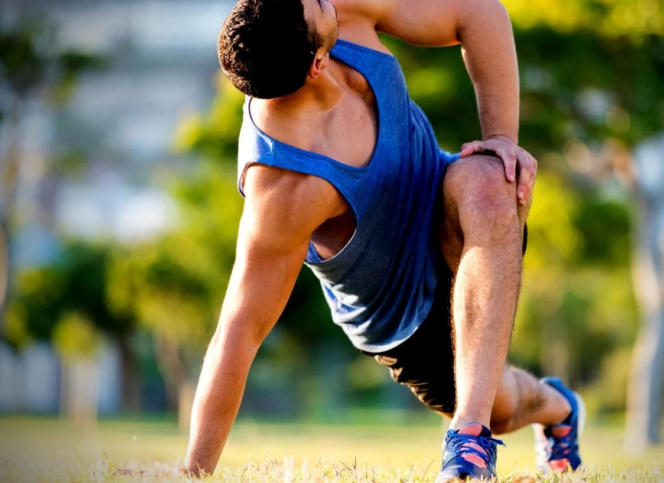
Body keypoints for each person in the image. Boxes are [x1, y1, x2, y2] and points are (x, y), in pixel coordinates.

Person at [182, 0, 585, 480]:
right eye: (316, 5)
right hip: (403, 317)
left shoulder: (341, 11)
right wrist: (193, 472)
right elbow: (239, 330)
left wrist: (502, 137)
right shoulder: (285, 184)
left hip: (452, 206)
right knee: (504, 402)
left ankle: (469, 441)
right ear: (317, 63)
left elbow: (479, 14)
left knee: (489, 184)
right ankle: (559, 408)